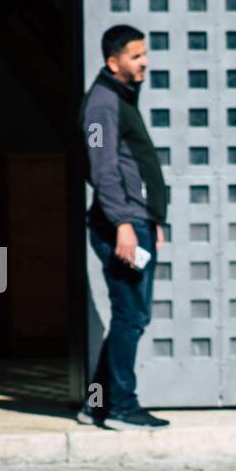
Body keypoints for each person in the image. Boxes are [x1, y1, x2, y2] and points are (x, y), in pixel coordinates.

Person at [76, 24, 170, 431]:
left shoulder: (120, 96)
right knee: (131, 315)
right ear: (113, 62)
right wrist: (124, 226)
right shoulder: (102, 103)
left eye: (144, 53)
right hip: (121, 223)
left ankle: (96, 404)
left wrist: (154, 219)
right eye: (136, 56)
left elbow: (136, 164)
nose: (145, 61)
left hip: (136, 220)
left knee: (128, 315)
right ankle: (121, 407)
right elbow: (105, 170)